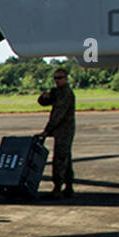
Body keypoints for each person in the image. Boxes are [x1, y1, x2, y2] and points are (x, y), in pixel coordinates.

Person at [38, 68, 76, 198]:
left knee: (60, 159)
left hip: (64, 130)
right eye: (55, 78)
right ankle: (68, 186)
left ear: (66, 78)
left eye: (60, 78)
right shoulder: (57, 92)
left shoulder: (66, 93)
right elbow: (43, 102)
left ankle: (58, 188)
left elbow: (58, 114)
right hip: (60, 130)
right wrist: (44, 97)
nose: (57, 81)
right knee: (66, 158)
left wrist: (47, 130)